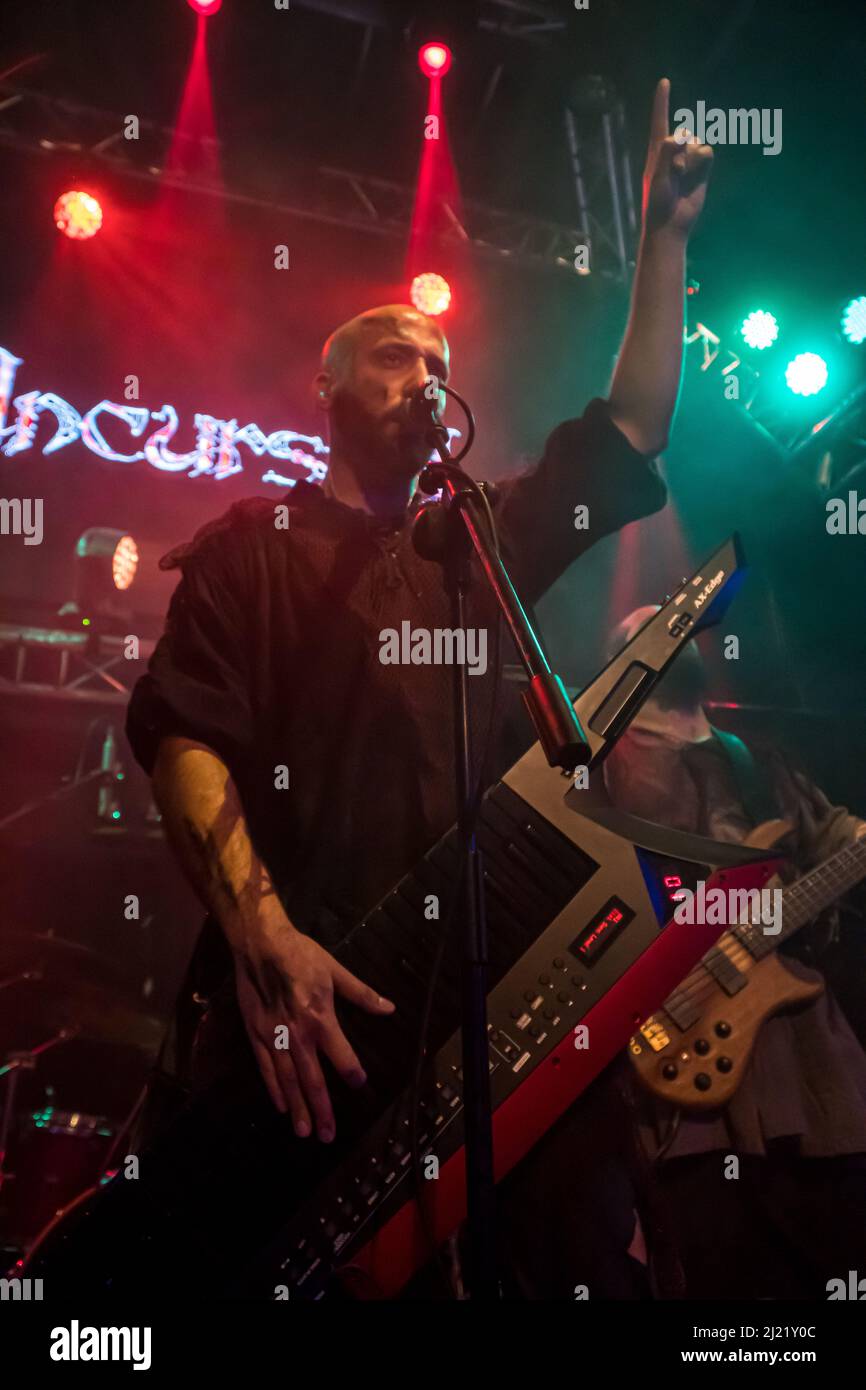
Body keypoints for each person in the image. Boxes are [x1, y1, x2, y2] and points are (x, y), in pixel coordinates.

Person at [32, 79, 715, 1298]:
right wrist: (262, 934)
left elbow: (630, 428)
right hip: (318, 994)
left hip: (487, 996)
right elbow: (186, 736)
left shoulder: (483, 541)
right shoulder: (254, 546)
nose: (421, 374)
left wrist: (660, 238)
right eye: (393, 355)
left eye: (437, 360)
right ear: (330, 391)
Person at [591, 606, 866, 1300]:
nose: (665, 615)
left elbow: (832, 833)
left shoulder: (755, 757)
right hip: (691, 1075)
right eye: (640, 622)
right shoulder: (600, 768)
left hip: (810, 1069)